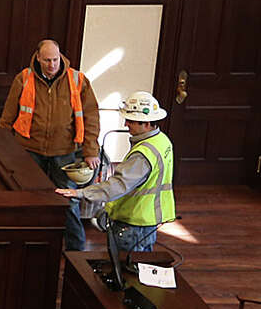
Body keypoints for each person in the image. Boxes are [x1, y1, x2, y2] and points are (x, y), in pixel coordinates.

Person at [55, 90, 177, 278]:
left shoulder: (143, 154)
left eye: (130, 120)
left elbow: (117, 186)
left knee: (126, 273)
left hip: (133, 222)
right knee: (141, 269)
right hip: (148, 220)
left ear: (145, 123)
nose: (126, 124)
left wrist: (80, 193)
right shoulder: (162, 141)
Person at [0, 38, 101, 250]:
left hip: (64, 153)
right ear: (38, 58)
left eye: (55, 59)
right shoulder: (24, 79)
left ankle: (76, 251)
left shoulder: (77, 80)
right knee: (27, 200)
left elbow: (91, 117)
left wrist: (91, 151)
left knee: (68, 201)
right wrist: (2, 147)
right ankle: (27, 245)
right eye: (47, 60)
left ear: (61, 57)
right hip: (28, 150)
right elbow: (8, 116)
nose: (52, 64)